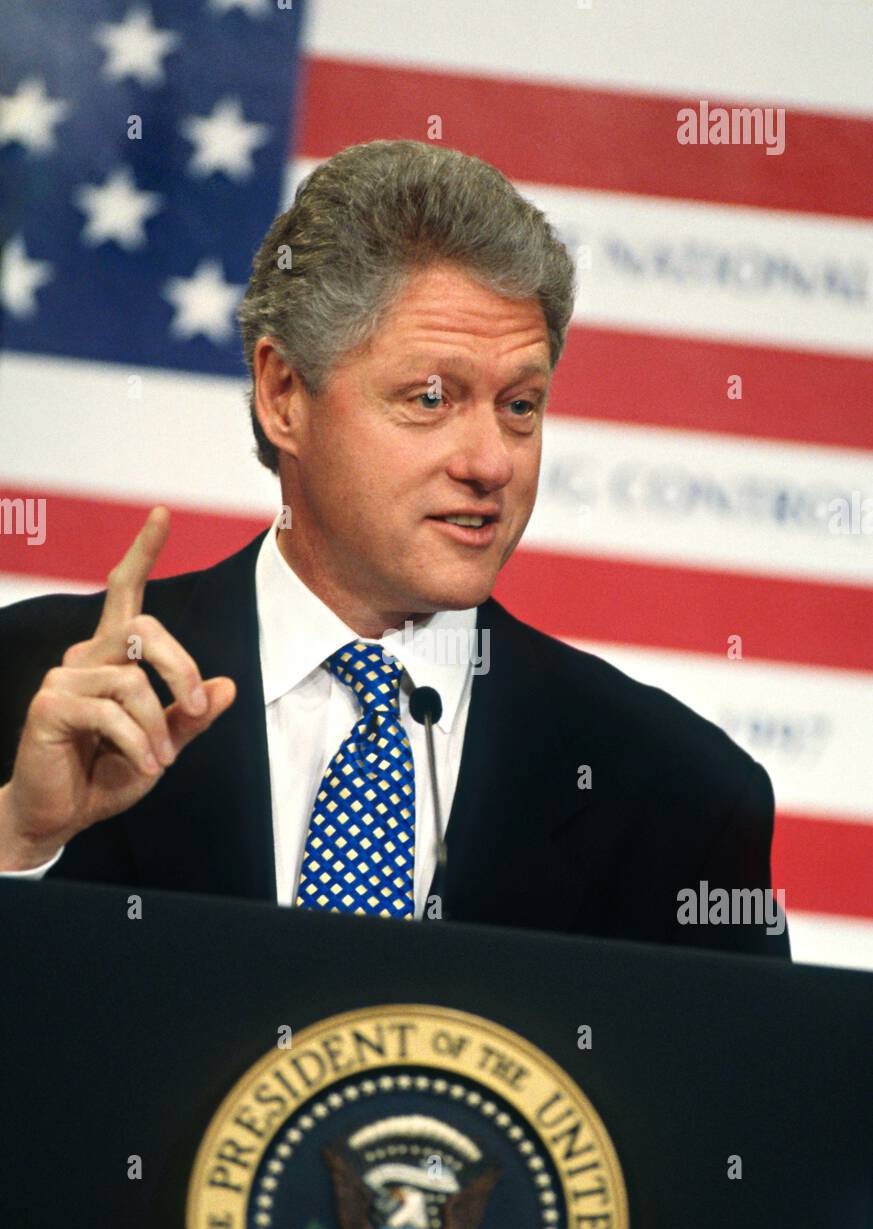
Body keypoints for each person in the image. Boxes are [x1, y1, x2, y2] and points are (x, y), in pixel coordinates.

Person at [0, 139, 789, 958]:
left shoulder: (677, 796)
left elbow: (734, 1082)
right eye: (431, 397)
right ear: (282, 397)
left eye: (520, 406)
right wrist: (18, 847)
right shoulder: (33, 686)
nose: (490, 463)